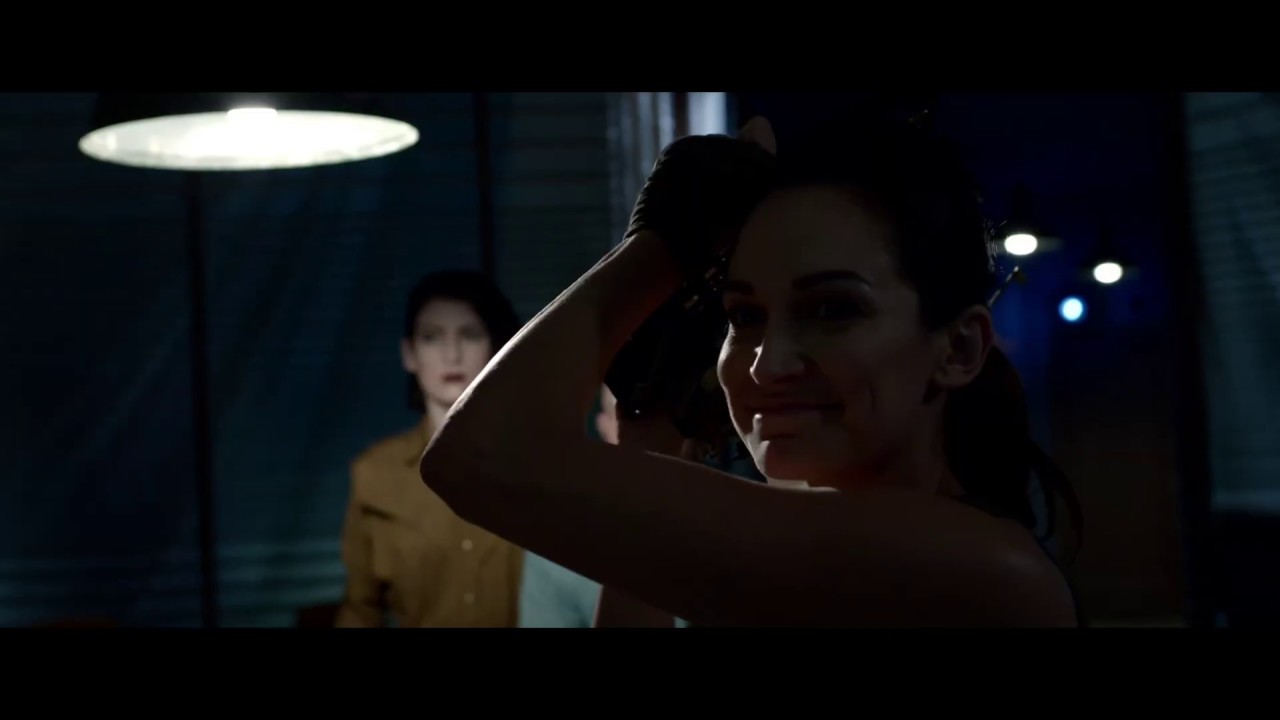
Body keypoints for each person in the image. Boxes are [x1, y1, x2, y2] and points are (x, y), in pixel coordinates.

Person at [417, 112, 1082, 627]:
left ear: (959, 349)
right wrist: (651, 435)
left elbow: (479, 457)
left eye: (833, 309)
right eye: (745, 316)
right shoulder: (821, 548)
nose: (767, 363)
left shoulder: (976, 567)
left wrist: (658, 247)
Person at [336, 270, 524, 628]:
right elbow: (360, 608)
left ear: (494, 346)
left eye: (470, 334)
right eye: (431, 337)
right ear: (410, 353)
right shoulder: (375, 474)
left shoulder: (537, 462)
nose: (452, 354)